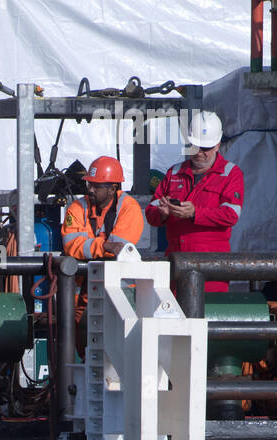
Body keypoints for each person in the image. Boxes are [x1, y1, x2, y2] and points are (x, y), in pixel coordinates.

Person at [146, 110, 244, 293]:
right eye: (195, 146)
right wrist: (162, 214)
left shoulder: (231, 174)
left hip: (212, 268)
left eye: (205, 148)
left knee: (209, 316)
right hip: (176, 265)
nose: (199, 153)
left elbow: (231, 215)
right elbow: (151, 209)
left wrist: (195, 213)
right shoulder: (174, 173)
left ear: (217, 145)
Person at [61, 156, 144, 345]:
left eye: (96, 186)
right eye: (89, 184)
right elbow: (72, 246)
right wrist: (104, 245)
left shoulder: (128, 208)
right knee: (80, 342)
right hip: (82, 293)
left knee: (117, 345)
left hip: (120, 293)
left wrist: (93, 246)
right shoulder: (77, 207)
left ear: (113, 188)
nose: (89, 189)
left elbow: (118, 250)